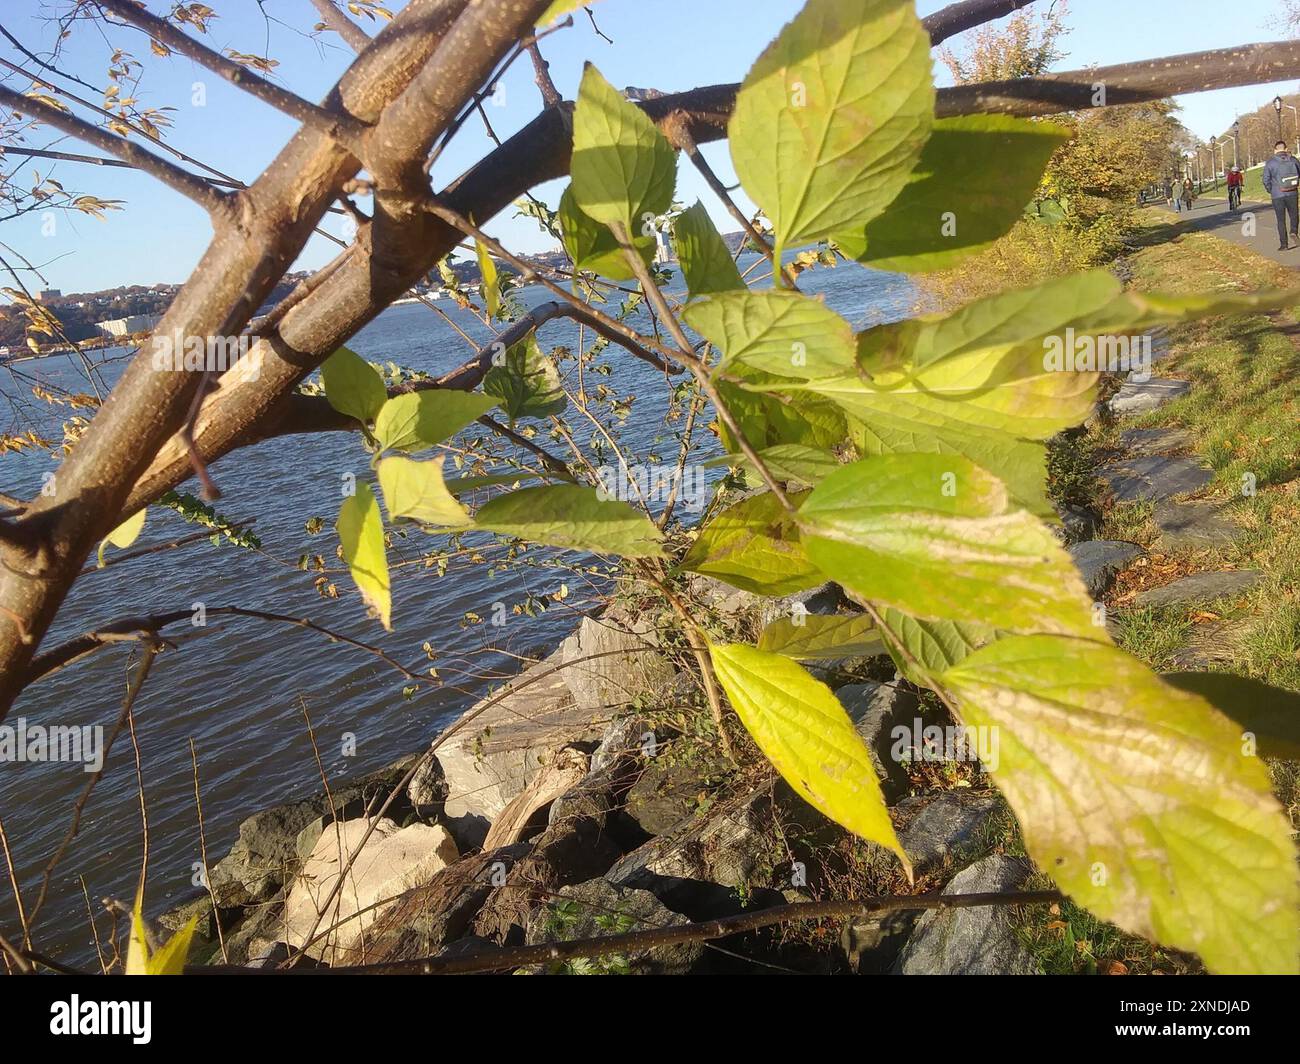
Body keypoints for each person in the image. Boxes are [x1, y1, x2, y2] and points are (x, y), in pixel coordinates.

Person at [1262, 140, 1300, 250]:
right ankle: (1293, 231)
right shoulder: (1293, 160)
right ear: (1286, 148)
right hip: (1292, 192)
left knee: (1280, 220)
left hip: (1277, 194)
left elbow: (1265, 179)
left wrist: (1271, 190)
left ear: (1275, 150)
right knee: (1294, 214)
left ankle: (1284, 245)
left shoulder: (1270, 162)